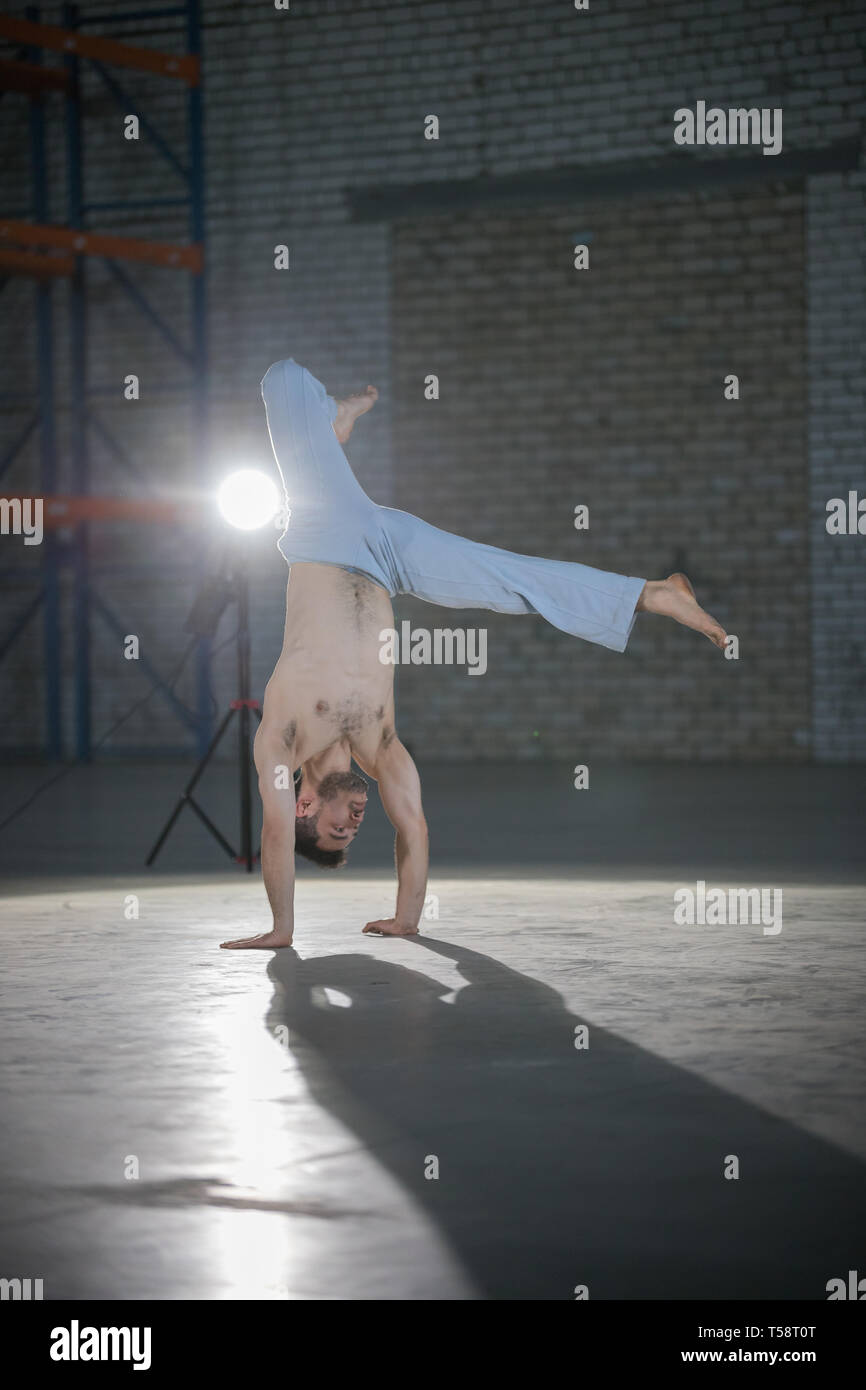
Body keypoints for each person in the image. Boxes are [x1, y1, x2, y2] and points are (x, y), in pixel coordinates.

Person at [221, 359, 726, 950]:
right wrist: (407, 919)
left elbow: (275, 833)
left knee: (281, 378)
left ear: (305, 804)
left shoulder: (279, 738)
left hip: (325, 536)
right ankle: (651, 594)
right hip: (389, 560)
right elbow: (412, 828)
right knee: (509, 579)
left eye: (335, 833)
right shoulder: (382, 747)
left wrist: (282, 929)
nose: (352, 827)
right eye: (351, 837)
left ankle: (331, 415)